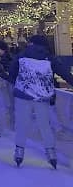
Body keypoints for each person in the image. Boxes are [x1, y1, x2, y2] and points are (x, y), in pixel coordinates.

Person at [9, 35, 73, 169]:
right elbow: (64, 73)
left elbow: (12, 73)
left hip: (23, 95)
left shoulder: (21, 55)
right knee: (45, 125)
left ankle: (19, 153)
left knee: (22, 125)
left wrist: (16, 85)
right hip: (42, 97)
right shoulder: (49, 57)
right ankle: (51, 154)